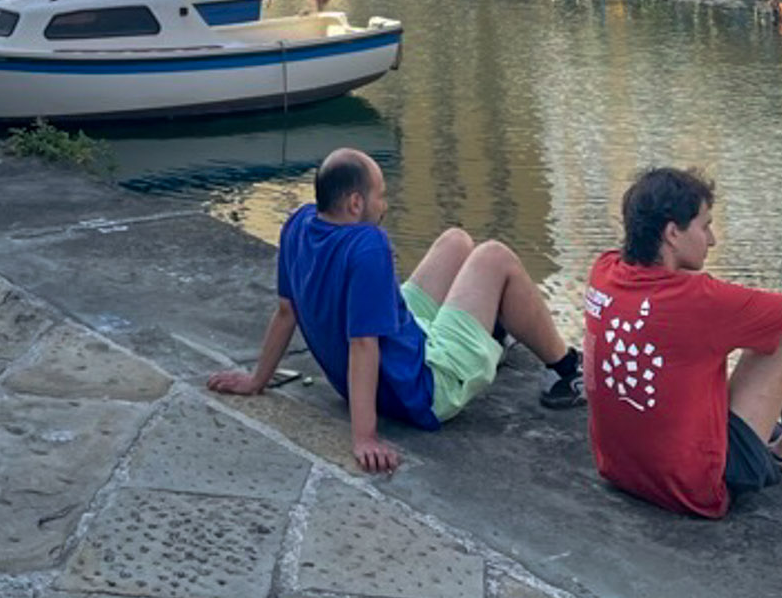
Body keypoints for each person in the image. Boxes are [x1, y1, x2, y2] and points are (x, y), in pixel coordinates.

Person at [209, 149, 584, 474]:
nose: (385, 206)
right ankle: (567, 370)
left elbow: (285, 312)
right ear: (356, 203)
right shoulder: (367, 244)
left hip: (389, 362)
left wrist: (257, 380)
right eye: (380, 196)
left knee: (456, 241)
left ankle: (491, 335)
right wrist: (364, 437)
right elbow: (362, 344)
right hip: (419, 388)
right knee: (494, 256)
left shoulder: (298, 224)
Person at [585, 166, 782, 520]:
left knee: (693, 353)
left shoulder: (603, 271)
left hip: (621, 470)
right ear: (672, 234)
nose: (712, 240)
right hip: (693, 486)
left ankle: (768, 434)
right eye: (705, 225)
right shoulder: (698, 299)